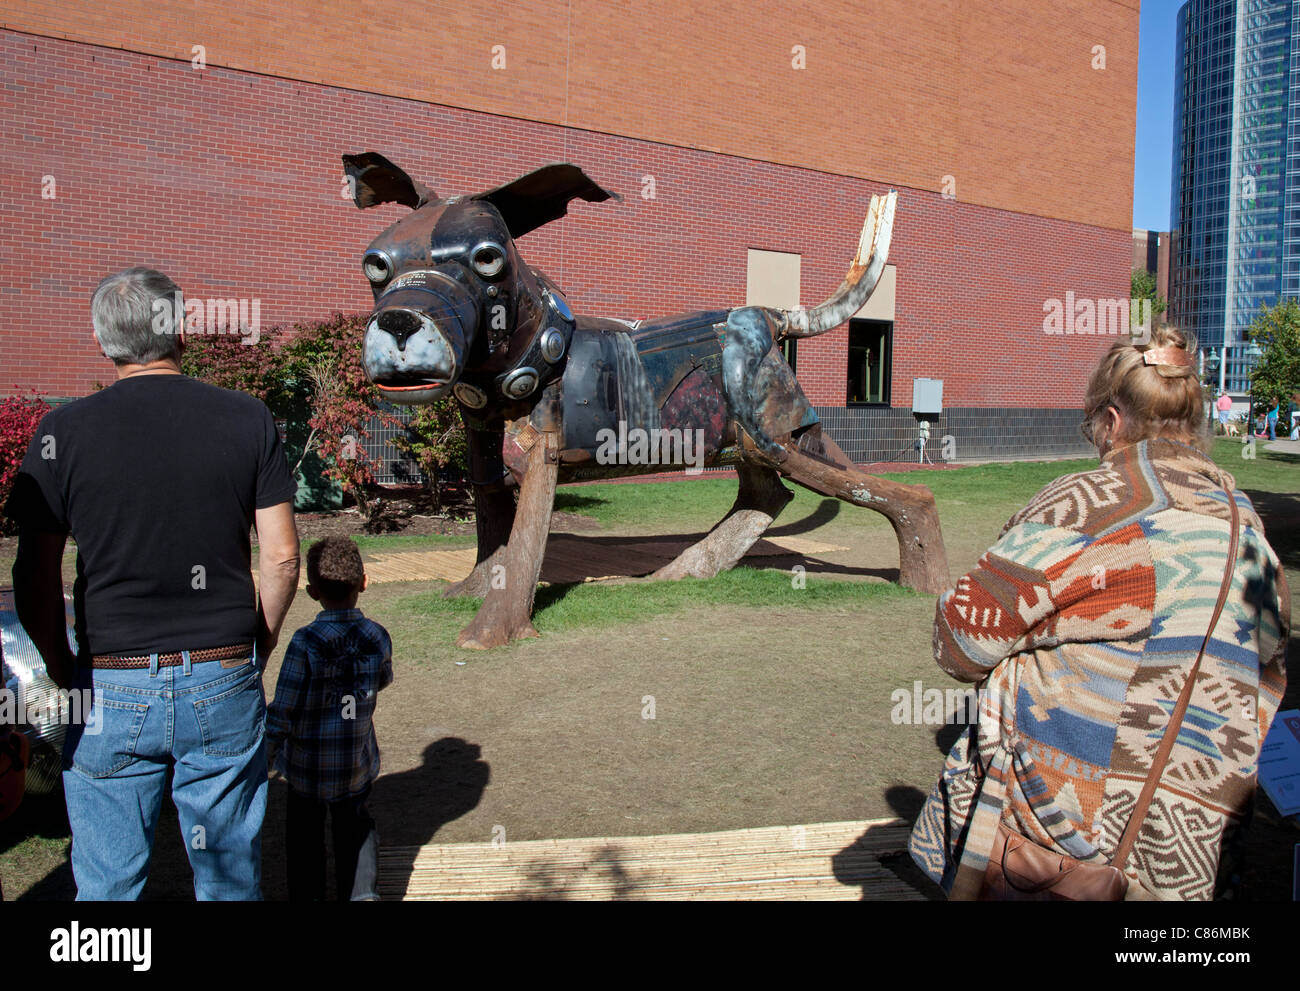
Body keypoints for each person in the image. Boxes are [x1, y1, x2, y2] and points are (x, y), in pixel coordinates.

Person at [909, 325, 1290, 900]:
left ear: (1111, 421)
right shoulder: (1250, 531)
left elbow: (959, 642)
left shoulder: (1085, 505)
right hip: (1198, 853)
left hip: (1058, 838)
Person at [3, 267, 300, 900]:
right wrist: (259, 646)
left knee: (108, 888)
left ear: (102, 340)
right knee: (227, 882)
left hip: (109, 680)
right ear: (181, 331)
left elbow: (32, 571)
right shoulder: (247, 418)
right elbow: (281, 559)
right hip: (222, 671)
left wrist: (62, 664)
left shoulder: (62, 434)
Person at [265, 537, 393, 901]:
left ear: (311, 591)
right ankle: (362, 894)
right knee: (355, 830)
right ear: (364, 583)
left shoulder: (305, 642)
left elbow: (284, 708)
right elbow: (382, 680)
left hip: (306, 769)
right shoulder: (377, 636)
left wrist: (268, 753)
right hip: (356, 763)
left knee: (304, 839)